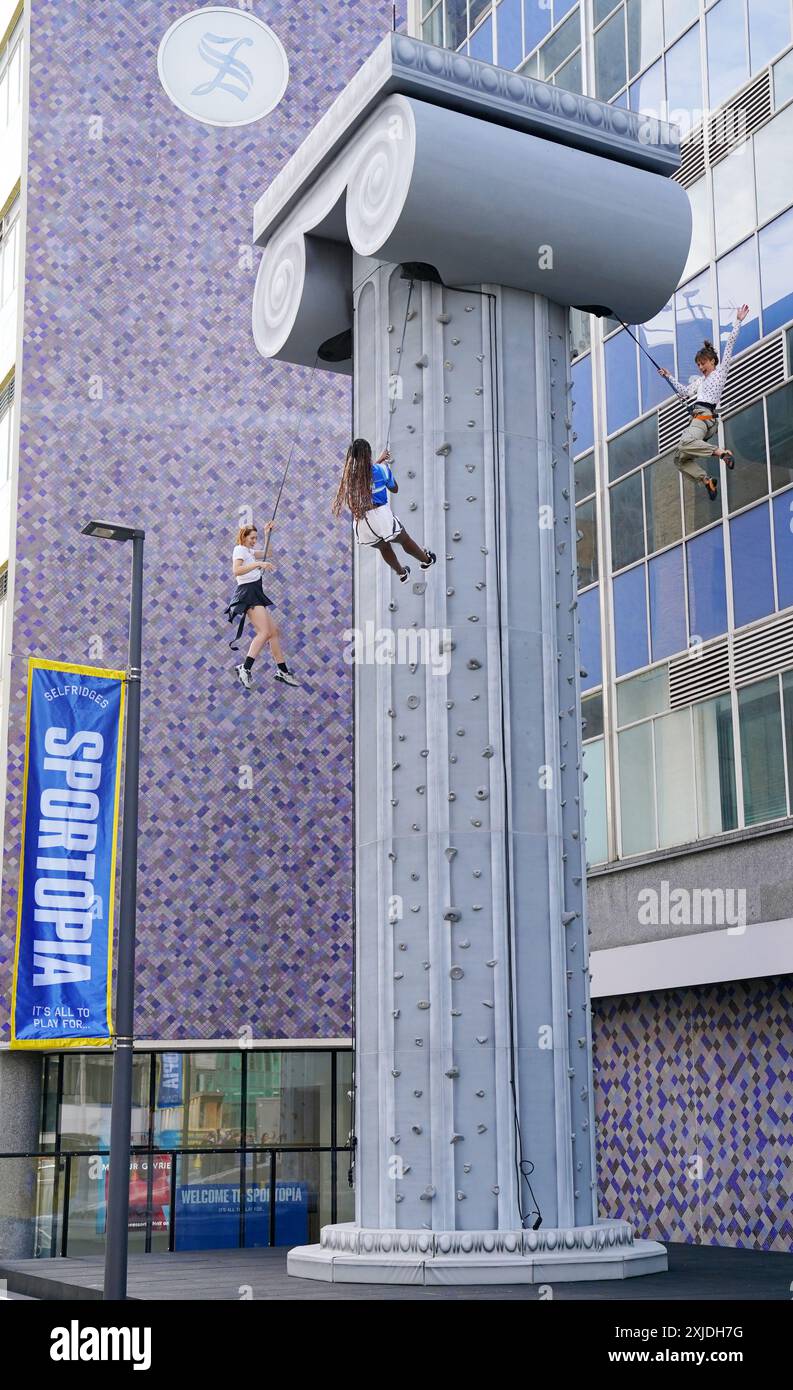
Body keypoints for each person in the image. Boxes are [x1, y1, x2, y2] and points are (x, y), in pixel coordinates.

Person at [659, 303, 750, 501]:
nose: (701, 367)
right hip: (700, 420)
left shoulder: (720, 373)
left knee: (685, 442)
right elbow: (684, 392)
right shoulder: (700, 381)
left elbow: (730, 345)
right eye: (699, 365)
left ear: (712, 361)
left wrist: (738, 321)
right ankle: (707, 480)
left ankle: (722, 452)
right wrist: (669, 377)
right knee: (679, 459)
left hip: (704, 418)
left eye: (703, 363)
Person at [332, 438, 436, 582]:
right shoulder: (381, 471)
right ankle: (427, 560)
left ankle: (402, 574)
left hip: (362, 523)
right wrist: (384, 468)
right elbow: (395, 489)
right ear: (369, 455)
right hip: (380, 516)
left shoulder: (348, 477)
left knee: (384, 548)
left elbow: (364, 478)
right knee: (404, 540)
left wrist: (379, 462)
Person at [227, 522, 299, 689]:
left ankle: (282, 671)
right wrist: (258, 564)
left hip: (255, 592)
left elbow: (268, 553)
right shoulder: (239, 549)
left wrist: (267, 535)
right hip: (248, 593)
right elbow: (236, 571)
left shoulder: (248, 552)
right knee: (265, 632)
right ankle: (245, 668)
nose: (254, 541)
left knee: (273, 632)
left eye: (256, 538)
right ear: (243, 537)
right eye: (252, 538)